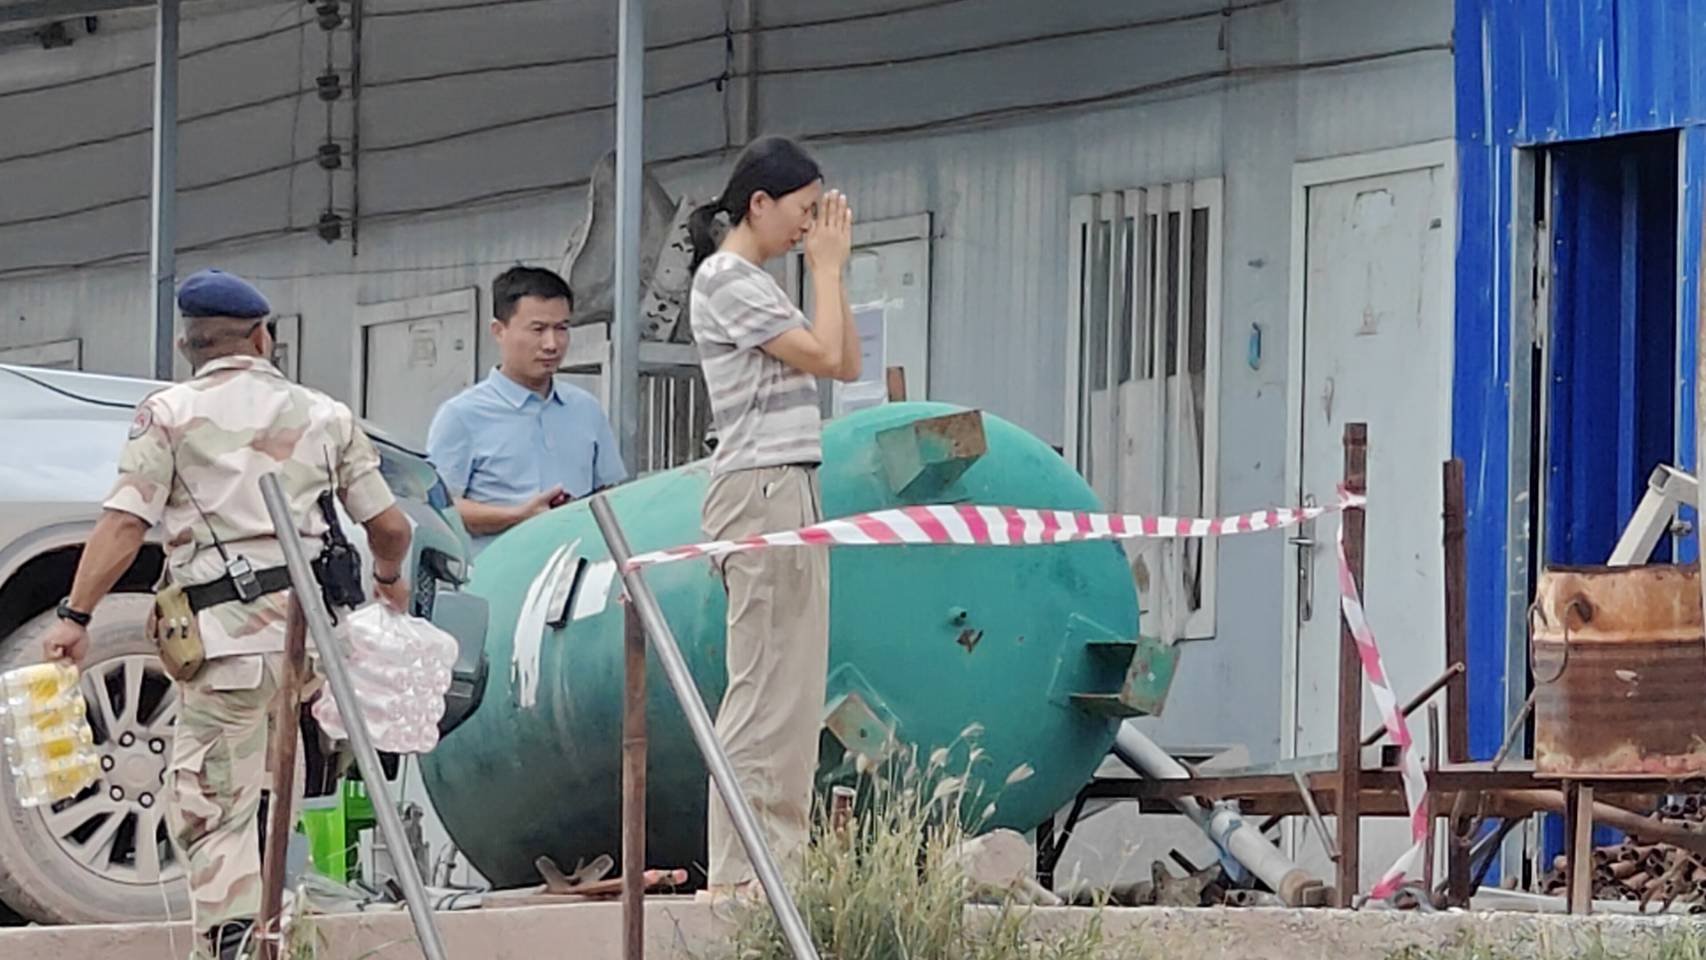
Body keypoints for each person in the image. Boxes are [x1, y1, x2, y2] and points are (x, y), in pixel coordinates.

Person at [37, 268, 414, 960]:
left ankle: (233, 942)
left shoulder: (168, 414)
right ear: (263, 337)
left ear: (189, 346)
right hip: (310, 648)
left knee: (210, 803)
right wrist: (388, 582)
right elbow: (390, 529)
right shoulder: (326, 414)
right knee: (282, 778)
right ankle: (280, 921)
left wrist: (75, 615)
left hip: (226, 646)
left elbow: (124, 526)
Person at [685, 136, 861, 898]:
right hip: (761, 489)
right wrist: (824, 271)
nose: (810, 225)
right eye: (802, 209)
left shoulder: (756, 282)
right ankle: (745, 874)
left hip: (788, 484)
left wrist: (831, 277)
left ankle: (774, 868)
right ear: (758, 202)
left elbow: (844, 360)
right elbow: (825, 357)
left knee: (792, 692)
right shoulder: (727, 278)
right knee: (764, 691)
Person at [426, 266, 627, 553]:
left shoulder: (586, 409)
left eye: (561, 328)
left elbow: (611, 494)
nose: (551, 344)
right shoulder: (462, 416)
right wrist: (517, 517)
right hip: (497, 582)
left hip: (576, 580)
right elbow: (438, 510)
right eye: (538, 329)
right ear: (499, 331)